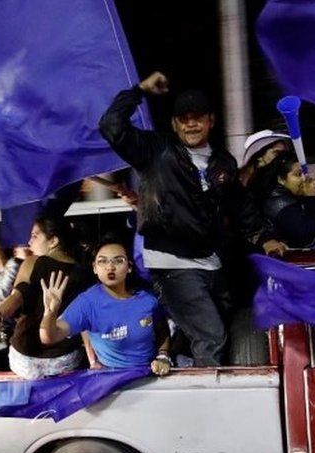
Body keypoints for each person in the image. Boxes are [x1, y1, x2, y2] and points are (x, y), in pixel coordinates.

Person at [99, 71, 236, 366]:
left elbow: (239, 207)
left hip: (212, 262)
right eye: (183, 118)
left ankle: (172, 364)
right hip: (172, 263)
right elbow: (110, 126)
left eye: (197, 117)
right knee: (211, 337)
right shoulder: (156, 150)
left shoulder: (224, 162)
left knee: (214, 327)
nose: (191, 123)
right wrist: (140, 90)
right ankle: (209, 406)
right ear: (174, 124)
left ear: (211, 120)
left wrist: (265, 237)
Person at [0, 216, 92, 379]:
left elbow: (16, 299)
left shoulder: (33, 262)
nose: (29, 242)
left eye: (35, 236)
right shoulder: (85, 274)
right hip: (64, 360)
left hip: (25, 358)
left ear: (53, 241)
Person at [39, 236, 171, 375]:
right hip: (110, 381)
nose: (110, 267)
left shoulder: (147, 299)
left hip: (150, 375)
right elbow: (49, 337)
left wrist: (163, 356)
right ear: (95, 268)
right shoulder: (87, 303)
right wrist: (49, 313)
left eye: (118, 261)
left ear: (129, 267)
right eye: (102, 261)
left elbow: (162, 329)